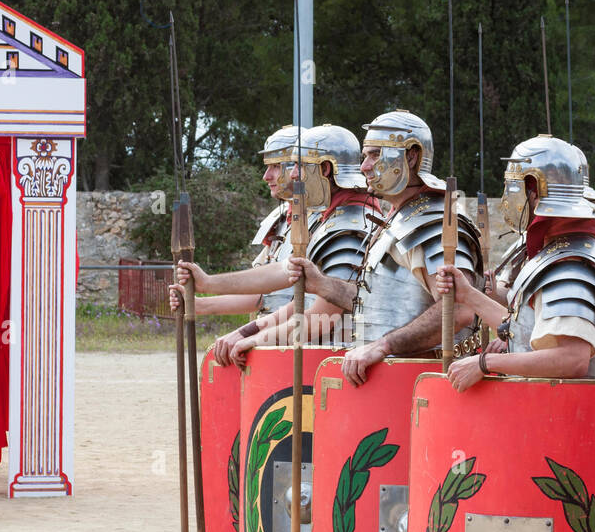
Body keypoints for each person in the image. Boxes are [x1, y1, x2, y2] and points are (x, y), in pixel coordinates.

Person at [283, 110, 482, 386]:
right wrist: (321, 284)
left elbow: (458, 309)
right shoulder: (399, 219)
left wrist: (383, 346)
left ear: (411, 156)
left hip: (419, 385)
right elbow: (376, 305)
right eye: (365, 156)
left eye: (375, 155)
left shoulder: (434, 222)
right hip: (390, 384)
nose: (364, 166)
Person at [432, 134, 595, 390]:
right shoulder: (568, 250)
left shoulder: (570, 263)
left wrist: (486, 362)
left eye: (512, 186)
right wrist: (468, 295)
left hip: (561, 414)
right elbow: (525, 331)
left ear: (533, 187)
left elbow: (572, 359)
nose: (507, 197)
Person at [176, 123, 376, 363]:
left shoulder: (350, 225)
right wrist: (207, 286)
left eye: (299, 166)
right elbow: (279, 282)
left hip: (330, 357)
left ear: (324, 168)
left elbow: (324, 314)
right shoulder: (329, 220)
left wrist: (255, 336)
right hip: (305, 351)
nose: (292, 175)